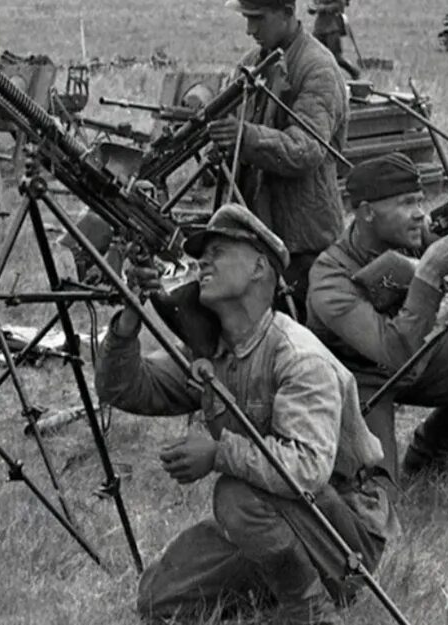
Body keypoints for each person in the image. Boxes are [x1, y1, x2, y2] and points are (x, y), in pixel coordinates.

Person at [95, 204, 395, 625]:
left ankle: (309, 608)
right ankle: (277, 580)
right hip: (274, 517)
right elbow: (122, 389)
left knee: (235, 495)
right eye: (203, 253)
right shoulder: (214, 352)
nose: (203, 261)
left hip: (342, 529)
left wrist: (218, 453)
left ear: (259, 268)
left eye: (217, 251)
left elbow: (307, 469)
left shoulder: (297, 356)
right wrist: (130, 317)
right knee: (158, 600)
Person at [307, 152, 448, 496]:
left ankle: (427, 455)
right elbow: (392, 353)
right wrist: (428, 273)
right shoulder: (329, 278)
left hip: (416, 355)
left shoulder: (415, 235)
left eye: (419, 200)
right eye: (405, 203)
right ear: (367, 212)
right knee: (377, 497)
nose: (419, 213)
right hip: (359, 381)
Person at [208, 0, 350, 318]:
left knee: (301, 337)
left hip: (302, 239)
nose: (249, 29)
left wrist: (245, 137)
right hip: (257, 229)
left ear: (287, 14)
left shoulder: (317, 68)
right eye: (246, 17)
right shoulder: (251, 63)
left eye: (258, 18)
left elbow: (307, 149)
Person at [307, 0, 361, 79]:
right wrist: (312, 9)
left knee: (336, 57)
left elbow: (340, 3)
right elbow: (318, 4)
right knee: (314, 54)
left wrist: (323, 8)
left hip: (332, 27)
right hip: (320, 27)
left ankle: (354, 73)